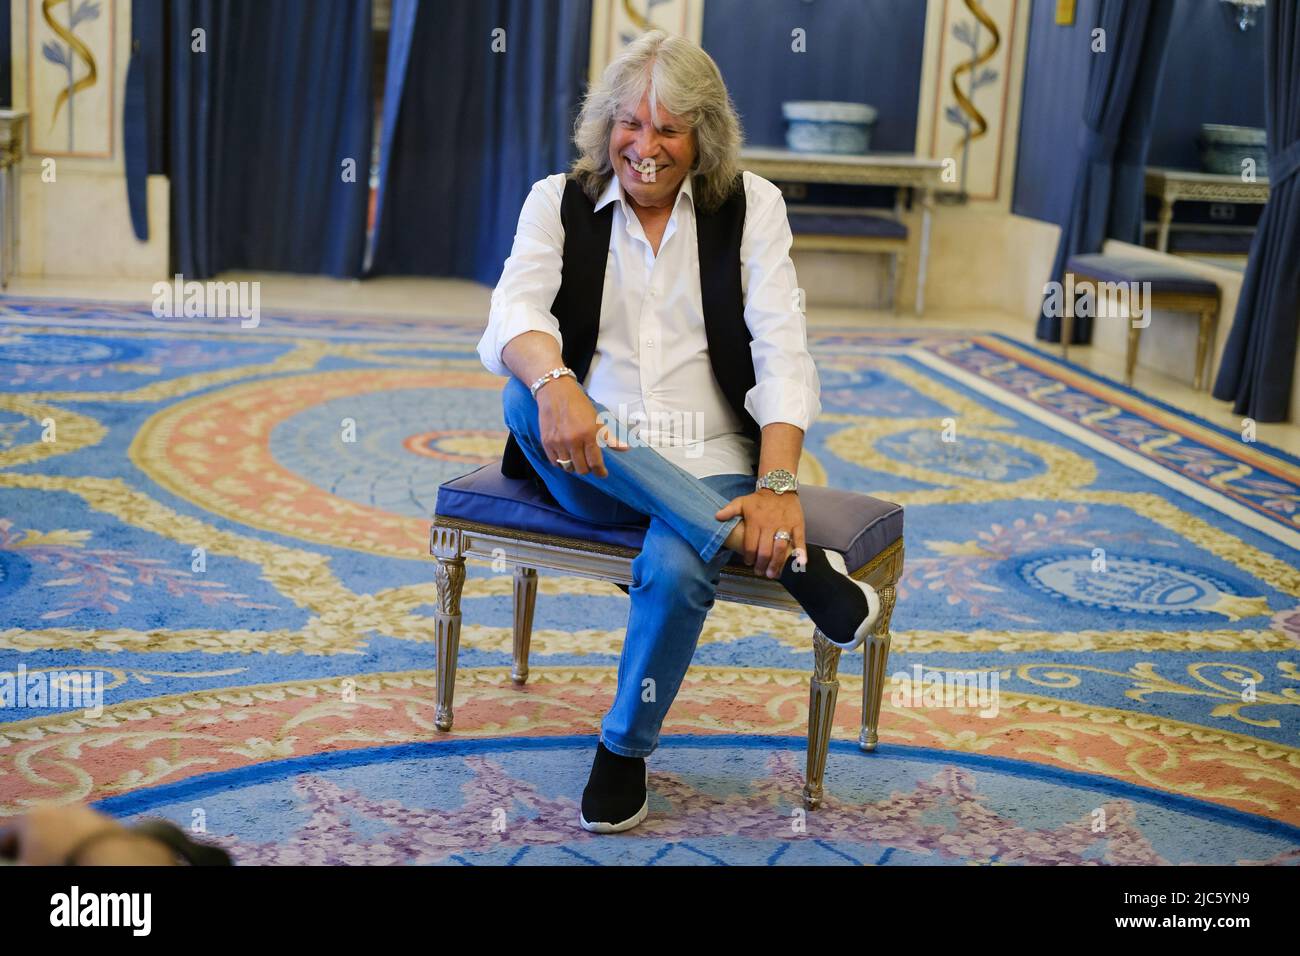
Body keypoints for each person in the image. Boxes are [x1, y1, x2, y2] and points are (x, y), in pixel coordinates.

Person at [478, 29, 880, 834]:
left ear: (703, 138)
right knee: (526, 392)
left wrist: (774, 486)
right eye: (631, 122)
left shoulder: (751, 206)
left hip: (716, 463)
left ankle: (622, 750)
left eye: (669, 128)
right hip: (592, 457)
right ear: (605, 126)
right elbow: (512, 314)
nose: (646, 146)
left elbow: (781, 345)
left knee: (676, 559)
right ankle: (801, 572)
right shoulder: (555, 200)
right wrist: (558, 383)